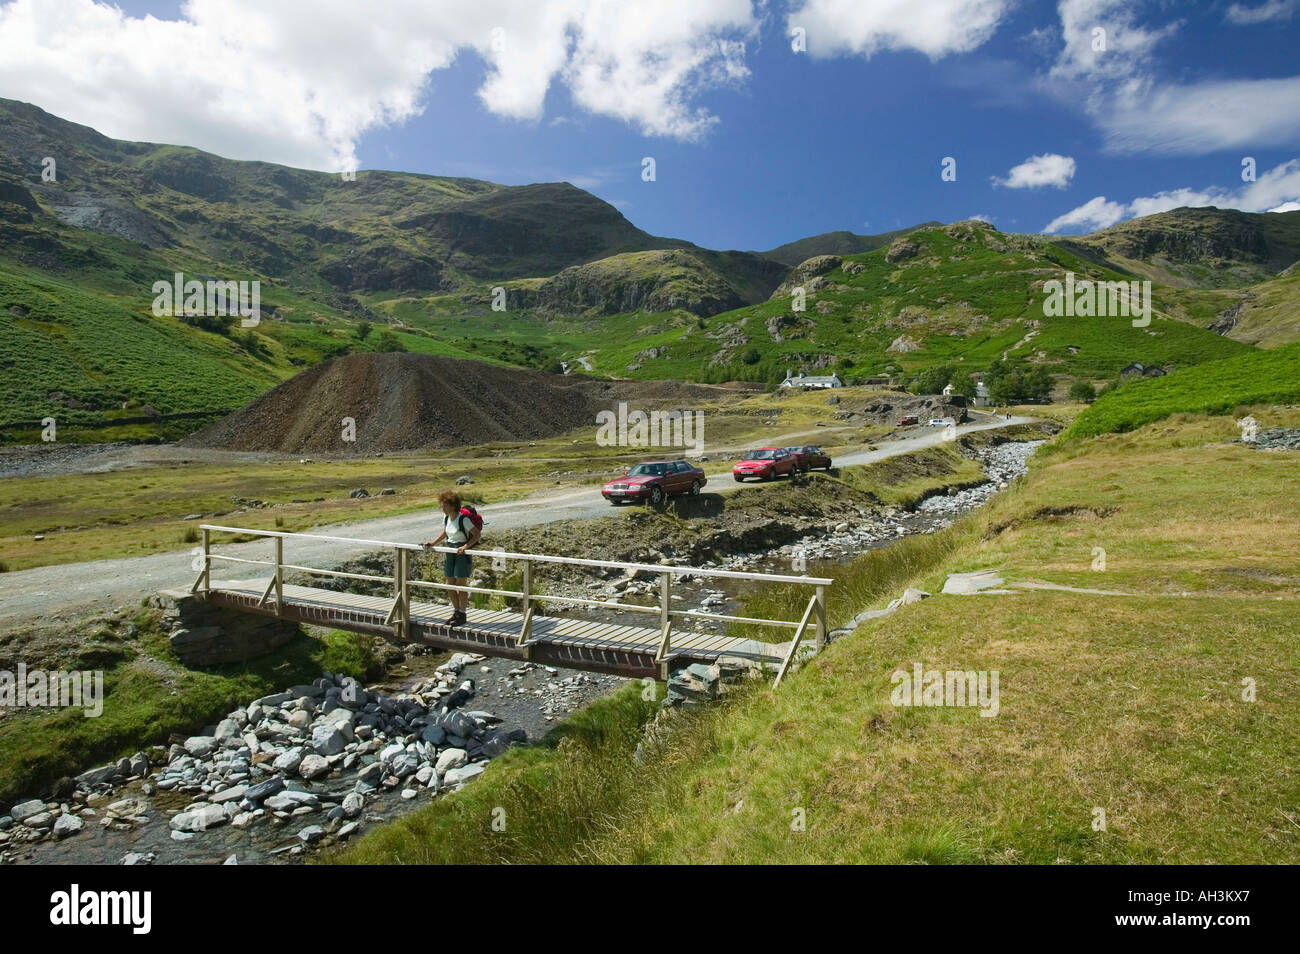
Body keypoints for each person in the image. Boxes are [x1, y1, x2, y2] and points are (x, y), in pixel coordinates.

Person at [422, 490, 481, 627]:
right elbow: (445, 532)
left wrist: (466, 547)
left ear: (453, 506)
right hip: (450, 550)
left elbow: (477, 535)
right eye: (441, 505)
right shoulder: (447, 518)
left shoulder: (463, 519)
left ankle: (462, 613)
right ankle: (456, 611)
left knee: (461, 583)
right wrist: (433, 543)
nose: (442, 508)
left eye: (444, 505)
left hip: (461, 552)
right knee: (449, 583)